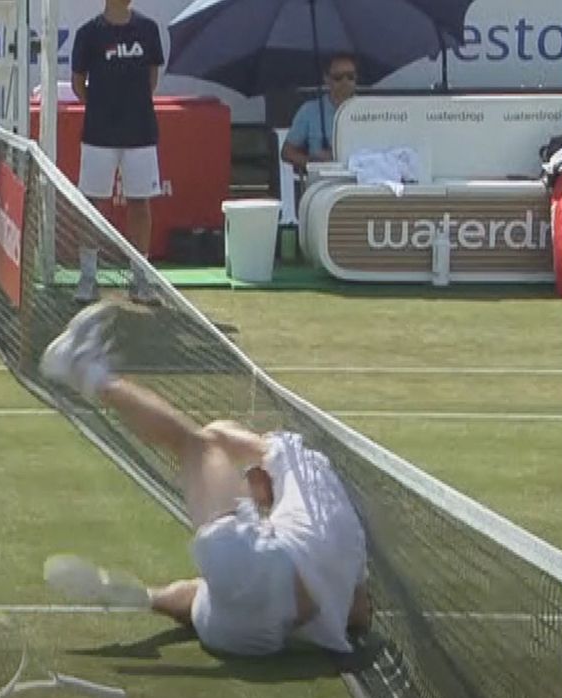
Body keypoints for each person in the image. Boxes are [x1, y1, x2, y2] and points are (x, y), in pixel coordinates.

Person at [39, 302, 373, 656]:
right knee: (216, 589)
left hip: (257, 594)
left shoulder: (291, 455)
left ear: (262, 478)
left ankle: (84, 369)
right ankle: (153, 598)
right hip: (257, 636)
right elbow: (360, 615)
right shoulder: (338, 535)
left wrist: (225, 471)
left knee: (195, 442)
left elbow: (219, 438)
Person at [71, 0, 165, 303]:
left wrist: (130, 107)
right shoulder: (88, 34)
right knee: (92, 206)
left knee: (140, 205)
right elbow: (78, 84)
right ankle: (88, 277)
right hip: (99, 134)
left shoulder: (148, 30)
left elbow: (152, 78)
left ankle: (140, 279)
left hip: (140, 134)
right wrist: (102, 107)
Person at [283, 53, 358, 167]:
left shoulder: (367, 109)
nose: (345, 82)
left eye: (350, 76)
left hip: (361, 178)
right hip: (323, 180)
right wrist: (313, 163)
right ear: (326, 78)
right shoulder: (309, 110)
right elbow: (287, 152)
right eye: (338, 77)